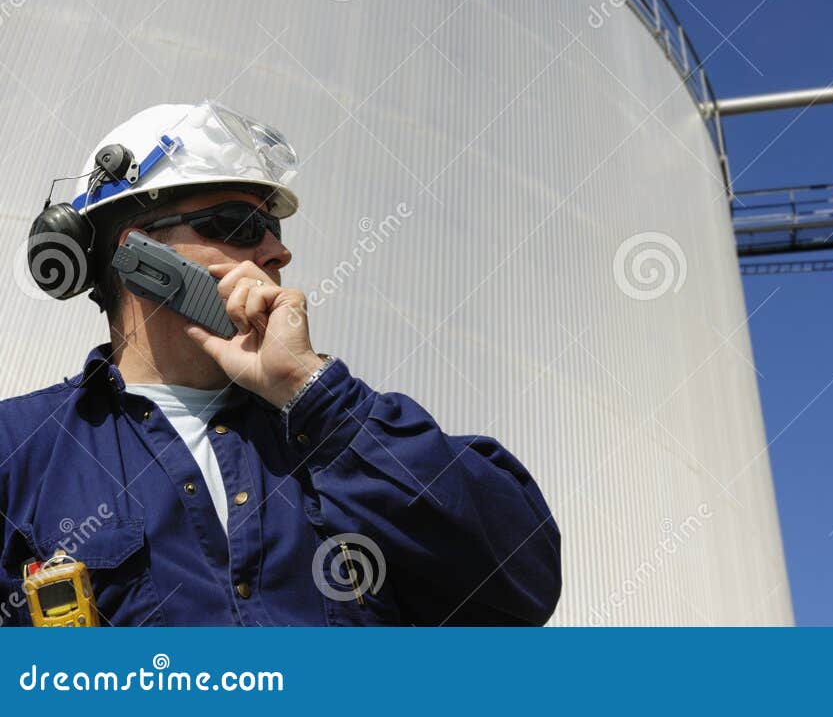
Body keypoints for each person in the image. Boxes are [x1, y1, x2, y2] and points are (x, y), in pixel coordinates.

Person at [0, 101, 560, 625]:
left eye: (276, 229)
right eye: (239, 226)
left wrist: (311, 392)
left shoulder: (344, 440)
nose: (277, 251)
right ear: (141, 253)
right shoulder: (19, 452)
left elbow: (520, 584)